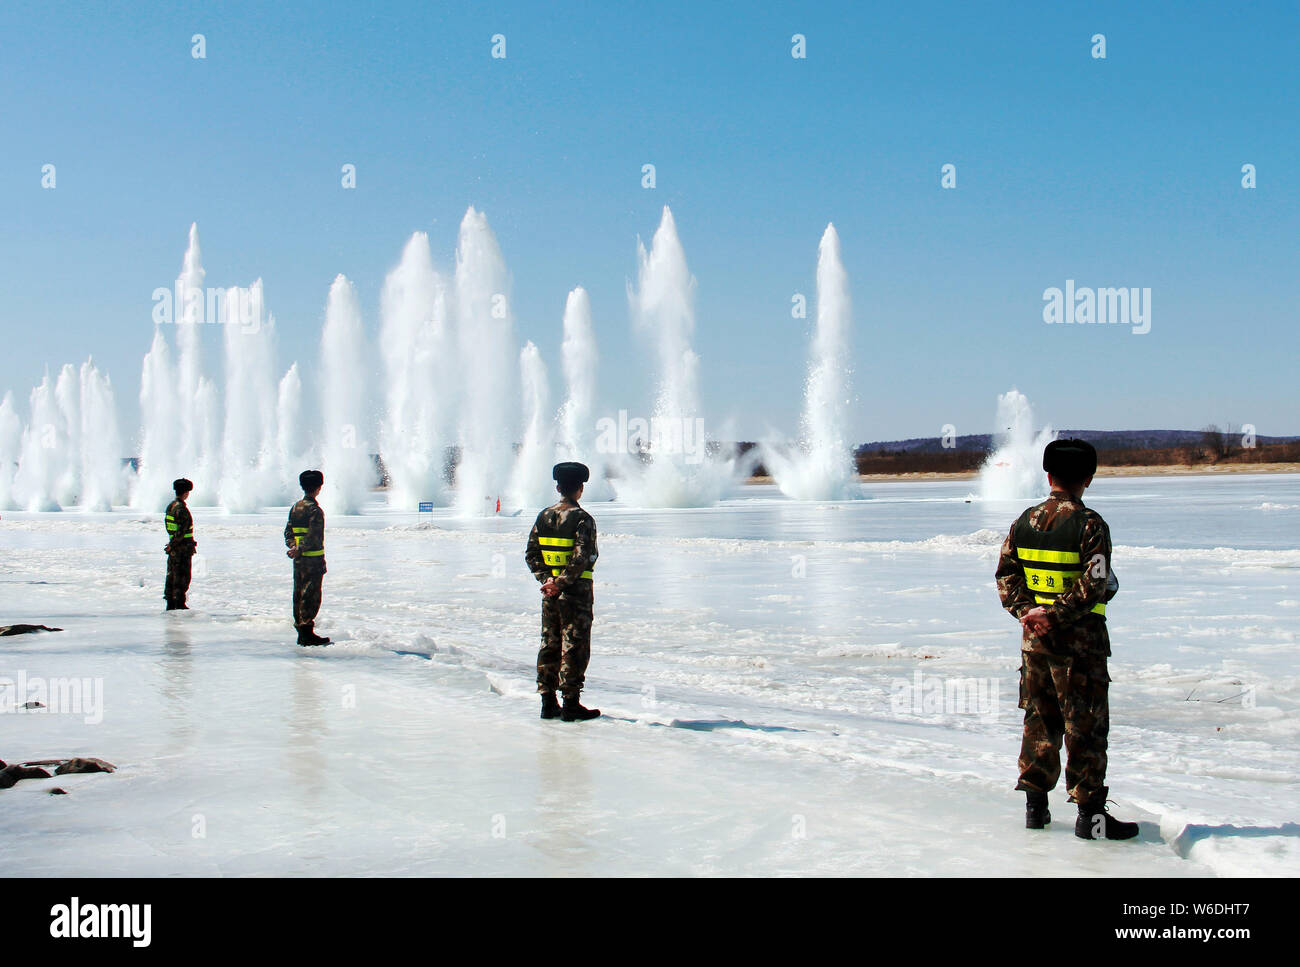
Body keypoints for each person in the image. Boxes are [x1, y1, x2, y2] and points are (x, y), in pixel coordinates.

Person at [996, 438, 1137, 840]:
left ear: (1048, 475)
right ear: (1088, 479)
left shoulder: (1024, 520)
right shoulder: (1090, 524)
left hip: (1035, 644)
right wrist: (1055, 616)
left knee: (1039, 721)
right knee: (1085, 727)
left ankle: (1035, 810)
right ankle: (1090, 819)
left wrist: (1028, 614)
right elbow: (1094, 585)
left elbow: (1006, 576)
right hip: (1080, 648)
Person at [524, 462, 600, 721]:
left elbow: (532, 554)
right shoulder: (583, 519)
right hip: (575, 594)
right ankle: (570, 704)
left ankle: (547, 702)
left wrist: (547, 580)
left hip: (549, 594)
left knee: (550, 642)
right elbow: (583, 558)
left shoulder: (543, 516)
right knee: (574, 646)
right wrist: (562, 582)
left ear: (558, 487)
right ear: (580, 489)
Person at [285, 470, 330, 647]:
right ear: (319, 487)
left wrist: (293, 548)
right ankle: (306, 633)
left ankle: (301, 630)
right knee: (311, 595)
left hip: (299, 561)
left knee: (299, 593)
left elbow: (288, 532)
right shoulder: (315, 511)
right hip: (312, 561)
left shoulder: (295, 507)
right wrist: (300, 549)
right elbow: (314, 537)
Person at [164, 478, 196, 610]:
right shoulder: (181, 509)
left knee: (172, 575)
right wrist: (174, 544)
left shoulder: (171, 506)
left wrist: (171, 545)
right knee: (182, 577)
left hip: (174, 548)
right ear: (186, 493)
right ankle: (179, 603)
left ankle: (171, 602)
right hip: (182, 548)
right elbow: (182, 531)